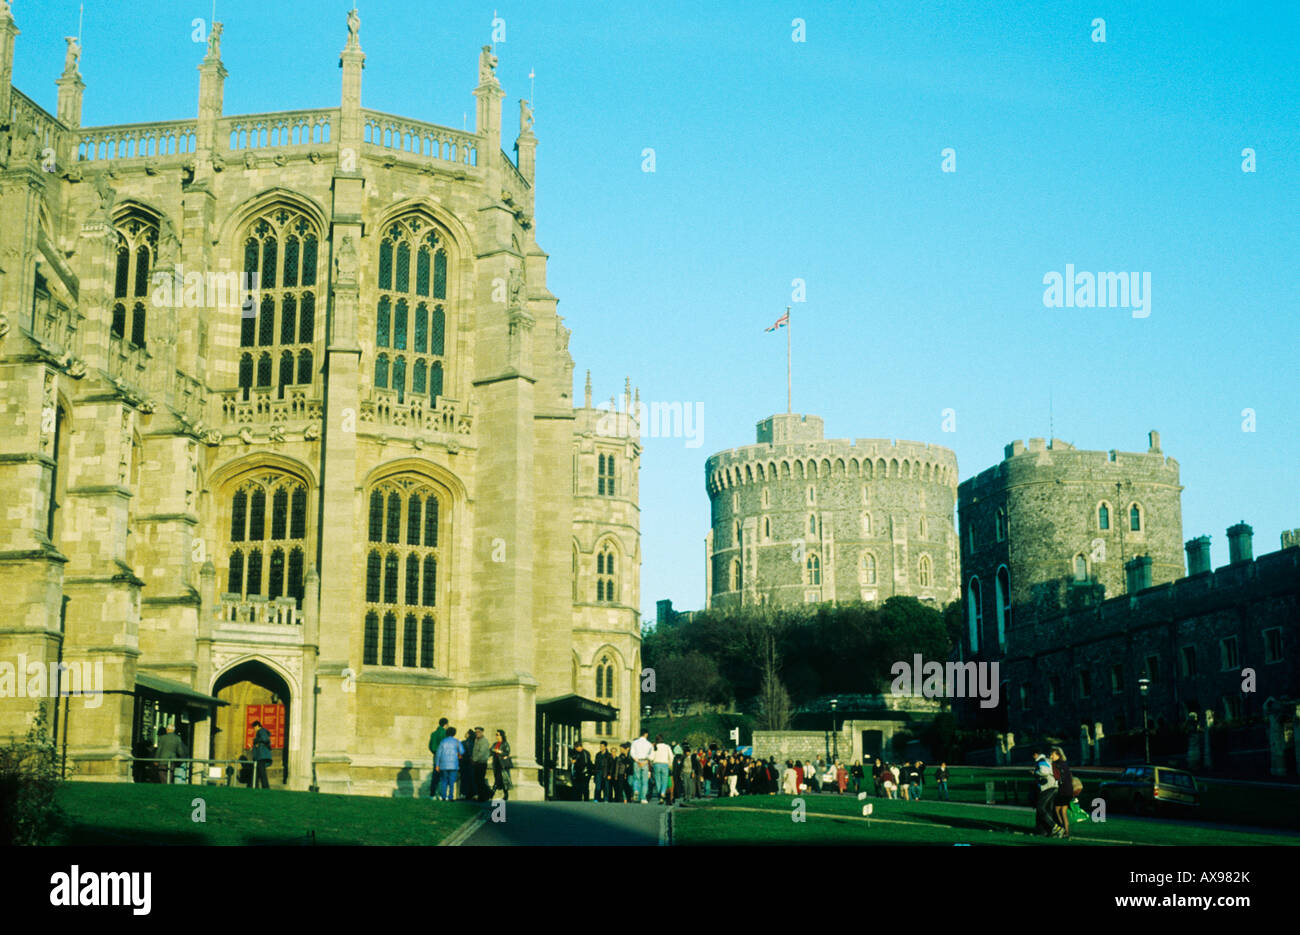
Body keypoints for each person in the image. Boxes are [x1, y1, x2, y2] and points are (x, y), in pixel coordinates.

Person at [1031, 751, 1059, 836]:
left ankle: (1054, 826)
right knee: (1048, 809)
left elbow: (1044, 772)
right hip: (1053, 786)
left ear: (1035, 754)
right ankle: (1046, 831)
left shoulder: (1041, 761)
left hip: (1047, 787)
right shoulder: (1046, 760)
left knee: (1040, 808)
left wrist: (1035, 772)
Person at [1051, 747, 1074, 839]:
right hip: (1069, 790)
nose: (1051, 756)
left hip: (1062, 790)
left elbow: (1056, 777)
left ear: (1058, 755)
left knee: (1056, 810)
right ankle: (1067, 832)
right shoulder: (1065, 764)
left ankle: (1061, 829)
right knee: (1063, 812)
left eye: (1052, 754)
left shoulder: (1056, 765)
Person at [435, 727, 464, 801]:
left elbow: (438, 754)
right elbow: (462, 751)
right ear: (454, 733)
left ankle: (443, 796)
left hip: (443, 765)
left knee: (444, 781)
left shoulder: (443, 741)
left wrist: (437, 765)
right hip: (453, 764)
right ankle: (451, 796)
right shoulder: (457, 741)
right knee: (452, 781)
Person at [629, 729, 653, 804]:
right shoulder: (649, 744)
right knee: (645, 781)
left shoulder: (634, 742)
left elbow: (632, 753)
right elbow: (651, 755)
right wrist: (646, 761)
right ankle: (643, 798)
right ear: (646, 734)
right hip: (645, 761)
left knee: (636, 778)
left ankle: (636, 790)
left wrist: (637, 760)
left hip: (637, 761)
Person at [427, 717, 448, 798]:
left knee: (435, 776)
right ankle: (442, 794)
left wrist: (434, 752)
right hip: (443, 756)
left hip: (436, 756)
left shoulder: (433, 733)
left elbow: (430, 746)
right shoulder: (444, 733)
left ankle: (432, 794)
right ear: (446, 724)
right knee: (444, 776)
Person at [490, 730, 512, 800]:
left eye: (498, 734)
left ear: (501, 735)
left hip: (502, 764)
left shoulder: (505, 743)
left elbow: (507, 752)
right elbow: (490, 750)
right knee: (497, 778)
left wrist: (500, 752)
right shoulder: (495, 743)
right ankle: (494, 794)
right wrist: (493, 751)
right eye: (496, 734)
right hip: (496, 762)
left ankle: (495, 794)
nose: (496, 736)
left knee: (503, 779)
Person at [651, 735, 674, 803]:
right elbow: (671, 757)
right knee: (664, 780)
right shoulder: (667, 747)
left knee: (658, 781)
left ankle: (660, 794)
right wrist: (670, 764)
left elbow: (651, 757)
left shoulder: (655, 747)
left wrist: (652, 763)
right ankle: (663, 793)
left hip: (656, 764)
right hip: (664, 764)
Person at [472, 727, 492, 801]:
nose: (477, 733)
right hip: (477, 763)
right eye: (476, 732)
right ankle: (483, 794)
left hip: (481, 763)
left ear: (482, 732)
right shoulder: (476, 740)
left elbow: (482, 752)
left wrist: (474, 759)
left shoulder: (484, 741)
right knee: (477, 780)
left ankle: (485, 794)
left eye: (478, 732)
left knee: (480, 780)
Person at [251, 719, 273, 788]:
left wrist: (256, 740)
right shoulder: (261, 732)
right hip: (260, 755)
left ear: (257, 726)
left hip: (261, 755)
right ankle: (255, 786)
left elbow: (265, 739)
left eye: (254, 727)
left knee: (262, 772)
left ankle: (265, 787)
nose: (254, 729)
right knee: (257, 772)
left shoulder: (261, 731)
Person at [460, 724, 478, 800]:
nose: (465, 734)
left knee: (464, 778)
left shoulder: (463, 743)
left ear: (469, 735)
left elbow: (460, 753)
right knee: (473, 779)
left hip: (464, 763)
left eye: (466, 733)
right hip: (473, 763)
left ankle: (464, 793)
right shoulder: (475, 743)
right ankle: (474, 794)